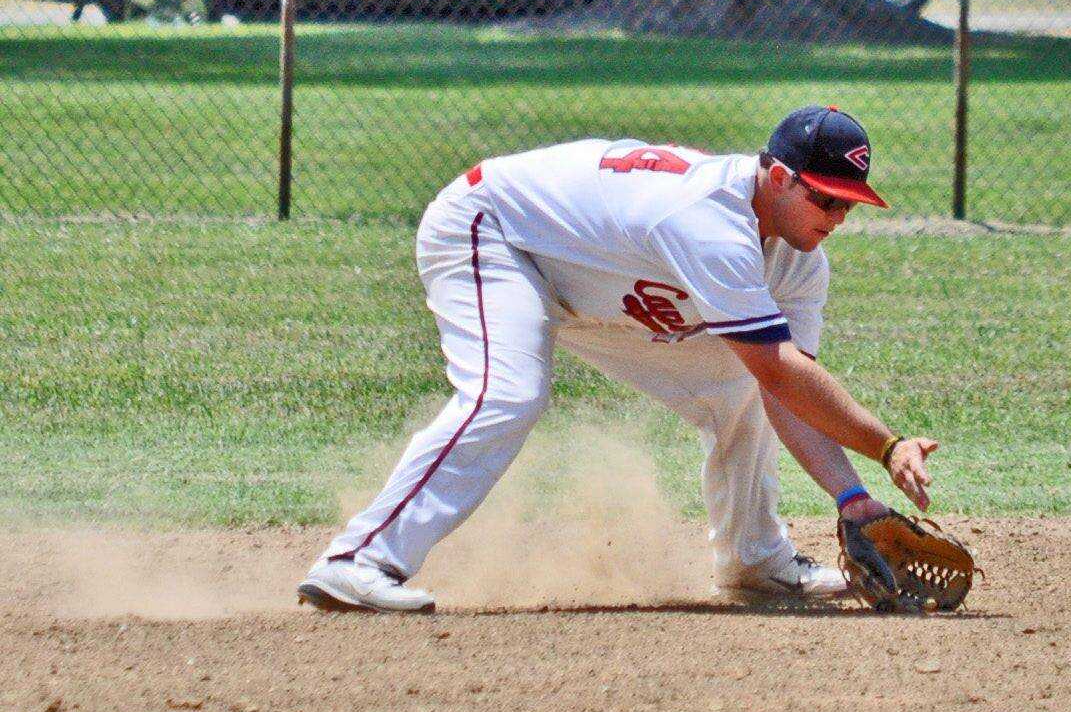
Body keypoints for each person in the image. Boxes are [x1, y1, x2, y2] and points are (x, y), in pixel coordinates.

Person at [297, 105, 939, 613]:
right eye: (825, 198)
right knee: (508, 393)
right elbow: (782, 371)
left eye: (849, 204)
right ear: (777, 178)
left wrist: (854, 500)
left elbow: (784, 392)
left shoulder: (799, 263)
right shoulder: (709, 222)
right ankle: (359, 560)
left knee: (743, 381)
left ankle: (754, 560)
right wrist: (887, 446)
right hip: (497, 231)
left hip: (600, 280)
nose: (837, 216)